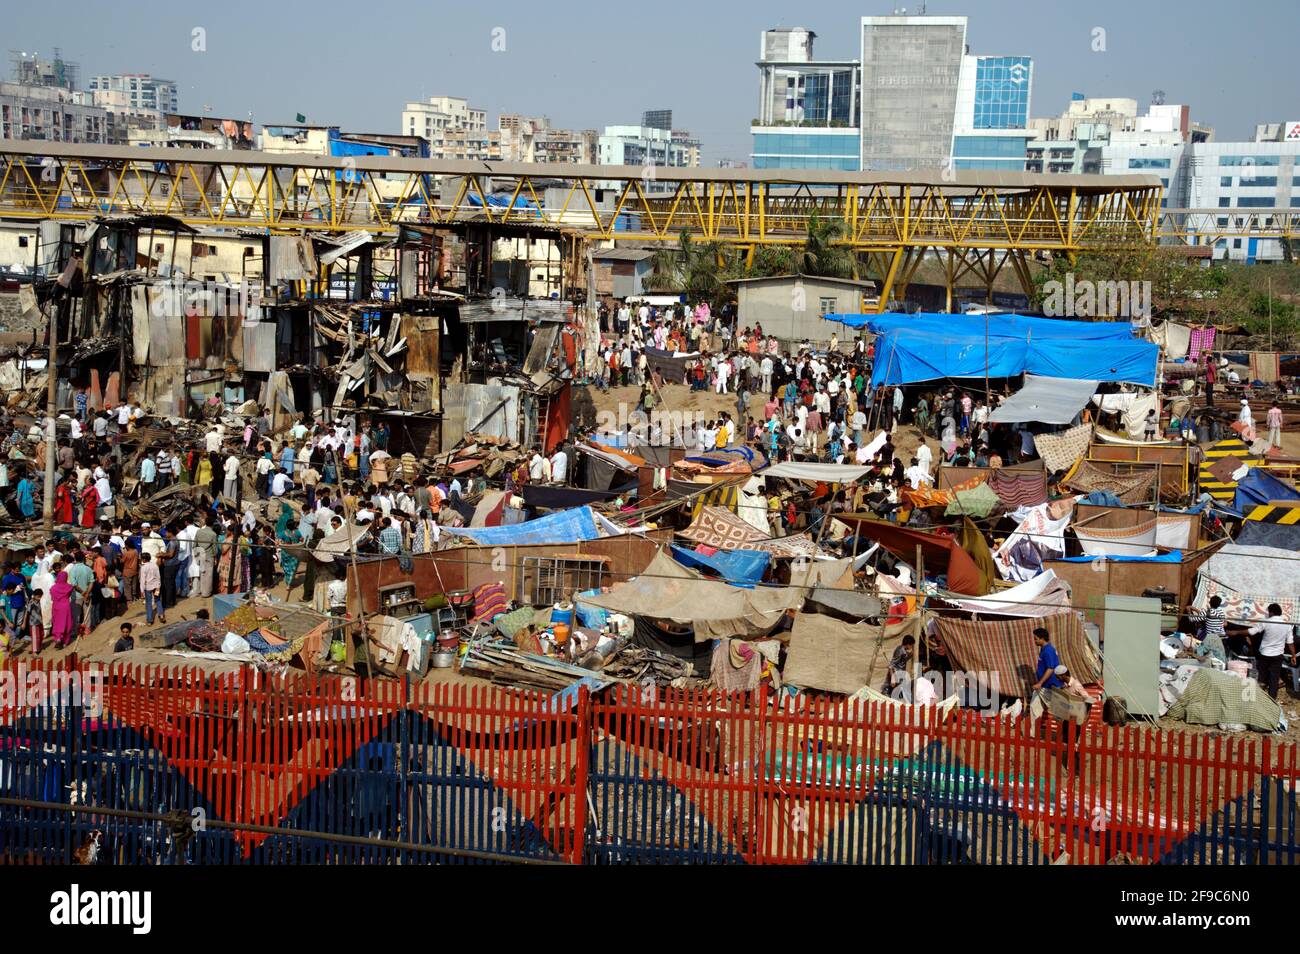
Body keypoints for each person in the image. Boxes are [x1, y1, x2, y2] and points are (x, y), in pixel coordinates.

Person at [1247, 604, 1296, 700]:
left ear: (1271, 612)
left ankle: (1258, 699)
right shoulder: (1287, 624)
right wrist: (1293, 656)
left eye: (1268, 612)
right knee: (1274, 679)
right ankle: (1272, 701)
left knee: (1261, 677)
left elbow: (1252, 632)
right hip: (1277, 656)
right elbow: (1290, 642)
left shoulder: (1266, 622)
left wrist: (1235, 632)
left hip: (1264, 654)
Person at [49, 569, 76, 649]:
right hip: (66, 606)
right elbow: (70, 594)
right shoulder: (69, 587)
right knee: (66, 622)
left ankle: (58, 638)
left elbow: (52, 597)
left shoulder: (53, 588)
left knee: (57, 622)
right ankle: (65, 641)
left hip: (56, 606)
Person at [140, 552, 163, 625]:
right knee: (158, 600)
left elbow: (142, 580)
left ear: (143, 559)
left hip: (148, 588)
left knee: (148, 603)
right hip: (156, 586)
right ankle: (161, 615)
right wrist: (158, 586)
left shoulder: (143, 568)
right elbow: (158, 577)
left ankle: (150, 620)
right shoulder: (155, 566)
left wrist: (141, 590)